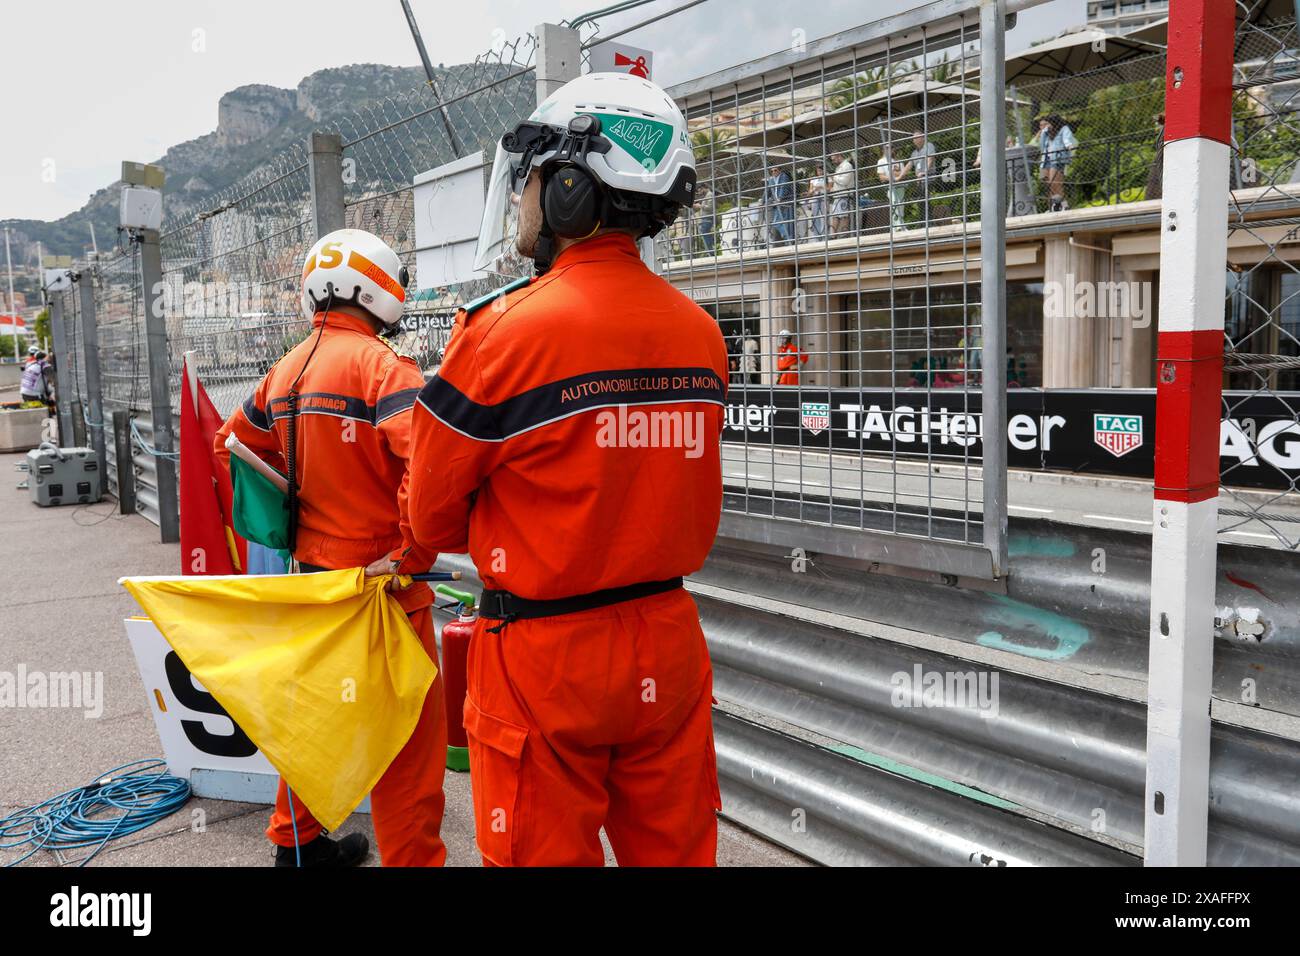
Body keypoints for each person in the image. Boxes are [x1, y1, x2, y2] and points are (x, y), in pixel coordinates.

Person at [406, 71, 726, 867]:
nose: (522, 199)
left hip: (545, 655)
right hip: (668, 639)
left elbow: (428, 519)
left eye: (534, 179)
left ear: (573, 191)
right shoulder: (700, 334)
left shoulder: (500, 334)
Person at [214, 227, 447, 868]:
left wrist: (289, 526)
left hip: (314, 583)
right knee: (406, 746)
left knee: (315, 723)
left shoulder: (284, 369)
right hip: (385, 592)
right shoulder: (385, 368)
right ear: (381, 290)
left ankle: (296, 845)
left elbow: (232, 450)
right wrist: (409, 558)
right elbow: (424, 472)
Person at [1037, 114, 1077, 212]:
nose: (1047, 125)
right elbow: (1041, 146)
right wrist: (1043, 132)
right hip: (1046, 160)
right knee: (1049, 186)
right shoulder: (1047, 132)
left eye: (1048, 123)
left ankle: (1064, 205)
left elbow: (1067, 139)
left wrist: (1069, 146)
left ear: (1055, 122)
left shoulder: (1064, 129)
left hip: (1057, 159)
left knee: (1056, 184)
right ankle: (1052, 207)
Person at [909, 131, 937, 225]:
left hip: (928, 177)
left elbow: (930, 159)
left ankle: (928, 222)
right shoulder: (914, 153)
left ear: (923, 138)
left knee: (925, 199)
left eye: (917, 137)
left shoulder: (928, 146)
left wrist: (924, 172)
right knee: (921, 200)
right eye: (914, 138)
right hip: (919, 180)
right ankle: (924, 221)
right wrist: (899, 177)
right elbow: (909, 165)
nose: (915, 140)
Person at [876, 143, 907, 228]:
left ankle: (900, 225)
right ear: (883, 150)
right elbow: (881, 176)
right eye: (886, 148)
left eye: (890, 148)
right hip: (889, 186)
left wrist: (896, 175)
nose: (888, 150)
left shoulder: (898, 161)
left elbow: (904, 173)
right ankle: (897, 227)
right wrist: (894, 177)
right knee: (894, 203)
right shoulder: (881, 161)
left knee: (901, 205)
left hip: (900, 186)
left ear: (893, 149)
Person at [764, 160, 795, 244]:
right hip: (777, 204)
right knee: (778, 222)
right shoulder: (771, 180)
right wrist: (763, 201)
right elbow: (767, 191)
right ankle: (788, 238)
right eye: (772, 171)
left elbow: (783, 187)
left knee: (781, 222)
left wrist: (780, 198)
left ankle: (788, 238)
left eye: (775, 170)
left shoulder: (784, 176)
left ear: (779, 170)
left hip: (785, 202)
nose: (773, 172)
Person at [829, 150, 856, 235]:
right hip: (837, 196)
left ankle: (844, 235)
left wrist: (834, 177)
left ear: (838, 156)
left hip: (845, 195)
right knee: (835, 216)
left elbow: (844, 181)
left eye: (833, 159)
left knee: (844, 216)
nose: (833, 162)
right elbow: (837, 183)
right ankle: (833, 235)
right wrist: (832, 189)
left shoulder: (847, 166)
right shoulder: (838, 167)